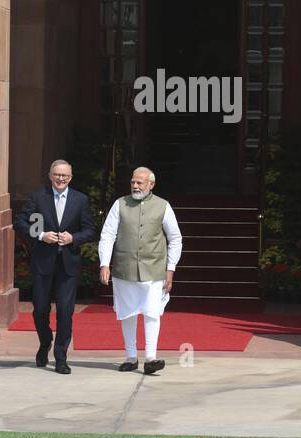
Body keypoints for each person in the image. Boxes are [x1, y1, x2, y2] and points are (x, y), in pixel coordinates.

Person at [13, 160, 95, 375]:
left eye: (65, 176)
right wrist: (41, 235)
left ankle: (61, 357)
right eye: (57, 175)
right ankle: (45, 342)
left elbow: (89, 230)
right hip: (43, 263)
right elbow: (21, 223)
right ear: (50, 175)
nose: (61, 179)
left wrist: (73, 238)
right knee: (40, 310)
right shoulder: (38, 197)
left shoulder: (80, 200)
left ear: (71, 177)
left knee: (65, 313)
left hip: (68, 265)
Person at [99, 167, 183, 375]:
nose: (135, 186)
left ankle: (151, 358)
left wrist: (170, 269)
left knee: (152, 313)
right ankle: (130, 357)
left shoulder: (163, 206)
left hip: (154, 270)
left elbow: (175, 238)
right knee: (127, 313)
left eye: (140, 183)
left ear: (151, 184)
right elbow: (108, 234)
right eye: (133, 182)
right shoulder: (120, 204)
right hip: (124, 268)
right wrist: (104, 263)